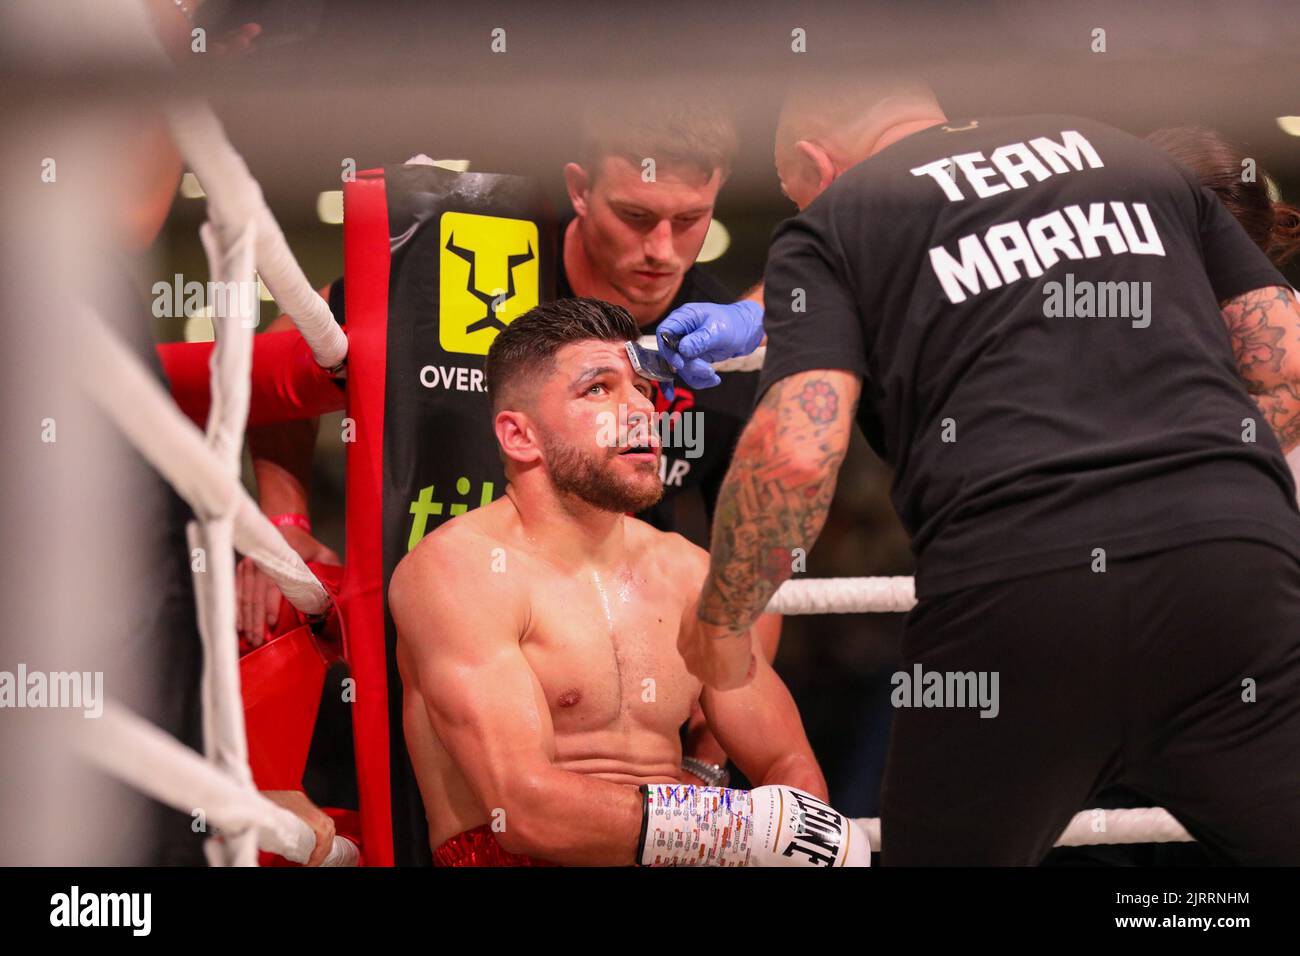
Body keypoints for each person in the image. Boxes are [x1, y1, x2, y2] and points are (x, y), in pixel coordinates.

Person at [675, 75, 1300, 865]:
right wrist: (1202, 480)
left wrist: (725, 625)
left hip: (1015, 585)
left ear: (813, 162)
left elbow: (796, 455)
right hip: (1235, 568)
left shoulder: (841, 215)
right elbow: (1288, 362)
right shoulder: (1119, 154)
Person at [238, 99, 781, 787]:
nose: (661, 250)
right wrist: (281, 526)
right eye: (636, 217)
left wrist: (707, 756)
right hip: (418, 644)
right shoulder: (482, 253)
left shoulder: (723, 349)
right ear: (580, 189)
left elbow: (751, 569)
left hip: (606, 695)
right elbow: (293, 340)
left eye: (690, 220)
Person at [388, 298, 867, 866]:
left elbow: (788, 766)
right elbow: (522, 809)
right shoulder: (460, 570)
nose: (640, 410)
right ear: (521, 437)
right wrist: (729, 830)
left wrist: (755, 824)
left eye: (643, 389)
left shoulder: (690, 574)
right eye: (598, 389)